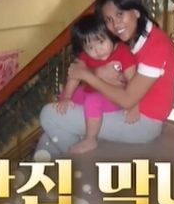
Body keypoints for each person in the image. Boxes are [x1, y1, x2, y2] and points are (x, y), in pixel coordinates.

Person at [36, 0, 174, 158]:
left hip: (142, 121)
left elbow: (127, 99)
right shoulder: (129, 37)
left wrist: (88, 75)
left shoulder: (157, 46)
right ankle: (43, 169)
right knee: (49, 135)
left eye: (120, 14)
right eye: (109, 20)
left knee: (50, 116)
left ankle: (80, 162)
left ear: (136, 11)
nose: (116, 25)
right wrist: (94, 73)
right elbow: (105, 70)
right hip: (118, 106)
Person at [58, 14, 139, 153]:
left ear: (110, 35)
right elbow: (75, 75)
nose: (97, 51)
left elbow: (133, 81)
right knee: (66, 96)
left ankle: (90, 139)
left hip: (114, 97)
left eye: (101, 42)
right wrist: (66, 97)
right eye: (90, 47)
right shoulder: (85, 56)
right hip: (91, 90)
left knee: (92, 100)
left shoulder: (123, 52)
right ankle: (74, 128)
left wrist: (133, 106)